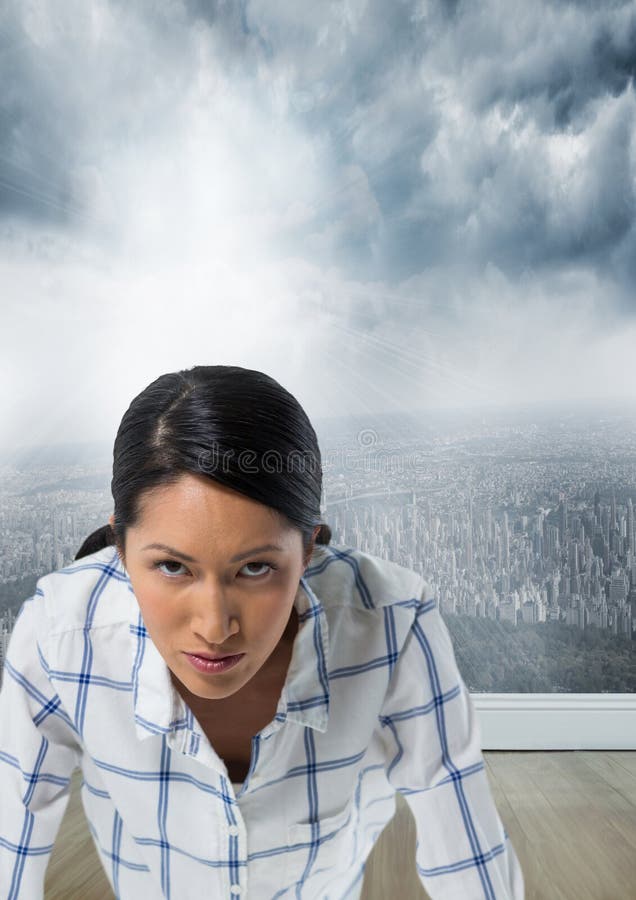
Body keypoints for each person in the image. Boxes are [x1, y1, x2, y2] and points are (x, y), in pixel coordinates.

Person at [0, 364, 524, 899]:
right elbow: (10, 839)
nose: (214, 626)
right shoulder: (58, 634)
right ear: (121, 550)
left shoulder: (393, 622)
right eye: (172, 567)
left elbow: (464, 842)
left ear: (309, 549)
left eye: (255, 569)